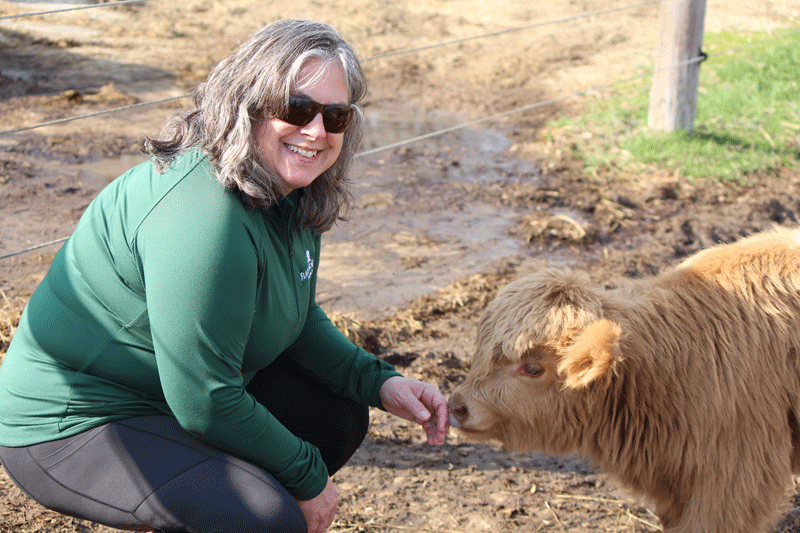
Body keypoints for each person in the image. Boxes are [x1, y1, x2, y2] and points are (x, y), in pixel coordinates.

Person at [0, 19, 449, 533]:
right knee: (262, 516)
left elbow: (295, 318)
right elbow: (206, 400)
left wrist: (380, 382)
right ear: (246, 105)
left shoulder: (291, 188)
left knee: (336, 414)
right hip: (76, 420)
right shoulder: (206, 219)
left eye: (335, 116)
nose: (316, 132)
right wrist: (306, 478)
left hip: (167, 394)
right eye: (295, 109)